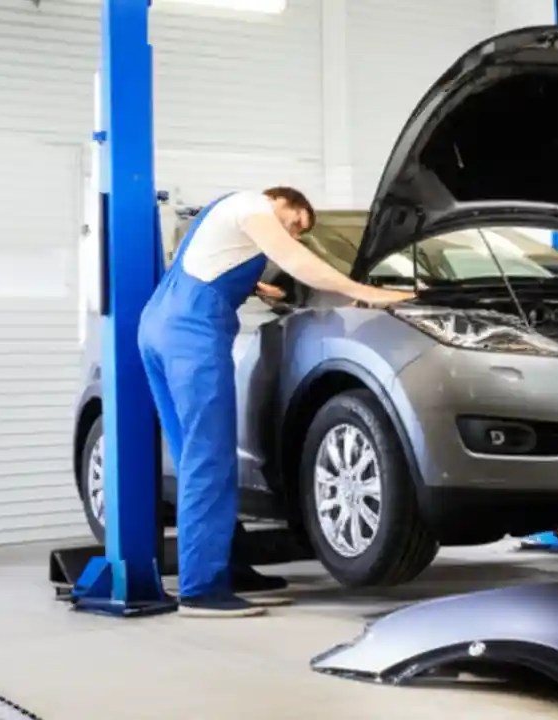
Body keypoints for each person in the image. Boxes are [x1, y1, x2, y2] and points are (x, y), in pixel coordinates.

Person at [138, 187, 413, 617]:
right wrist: (366, 291)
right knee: (208, 459)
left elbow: (216, 269)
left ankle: (226, 566)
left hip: (159, 325)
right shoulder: (253, 206)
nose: (296, 233)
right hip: (190, 334)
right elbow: (297, 261)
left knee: (195, 457)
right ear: (280, 200)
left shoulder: (226, 214)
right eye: (297, 222)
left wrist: (261, 288)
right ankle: (201, 590)